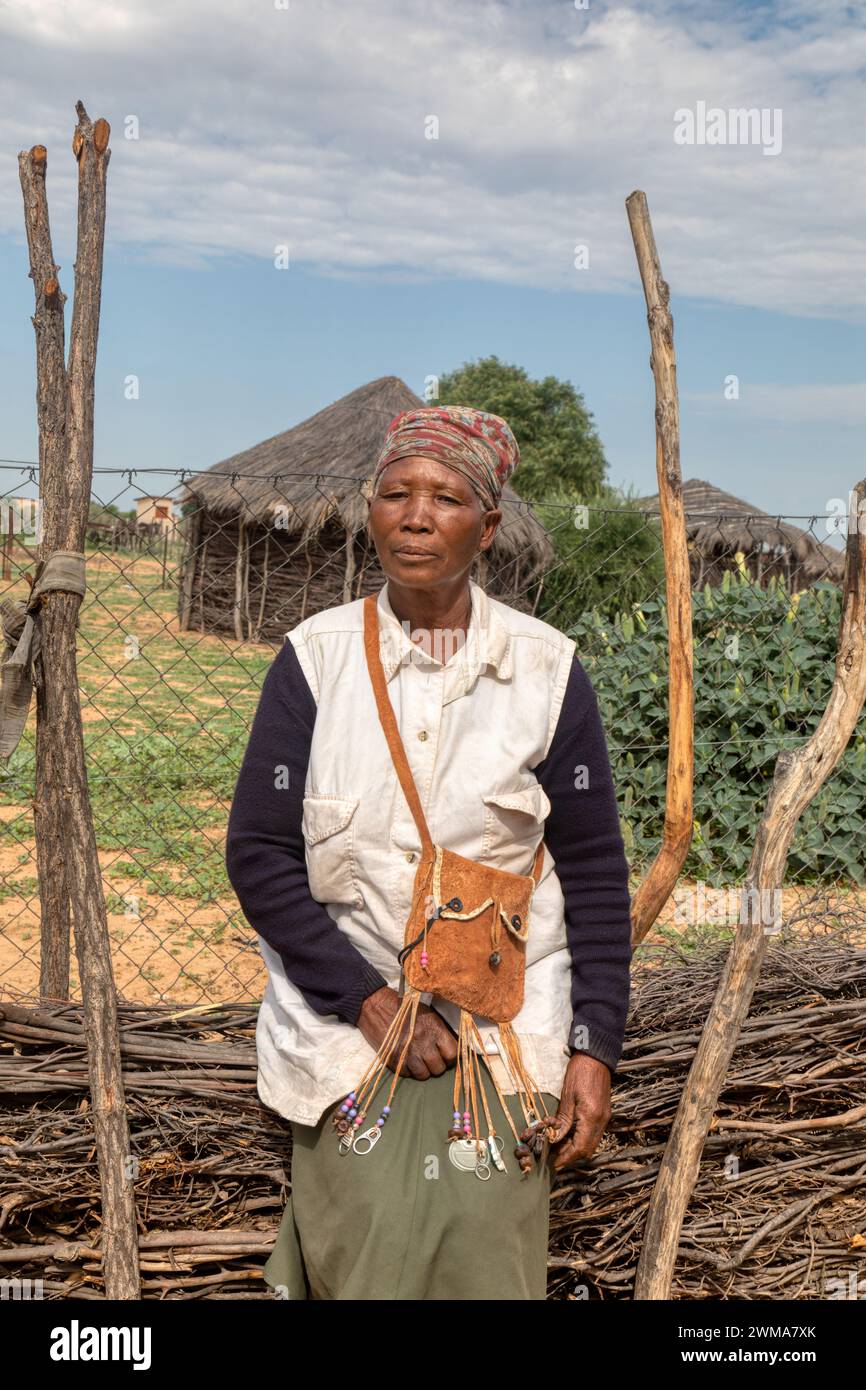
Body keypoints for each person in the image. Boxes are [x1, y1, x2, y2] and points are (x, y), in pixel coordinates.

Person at [226, 403, 632, 1300]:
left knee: (488, 1262)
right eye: (396, 493)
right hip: (349, 1040)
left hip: (505, 1045)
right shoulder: (314, 662)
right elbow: (258, 852)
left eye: (446, 498)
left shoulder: (548, 674)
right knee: (361, 1258)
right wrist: (369, 1004)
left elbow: (598, 876)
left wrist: (594, 1048)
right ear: (369, 510)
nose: (415, 516)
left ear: (487, 527)